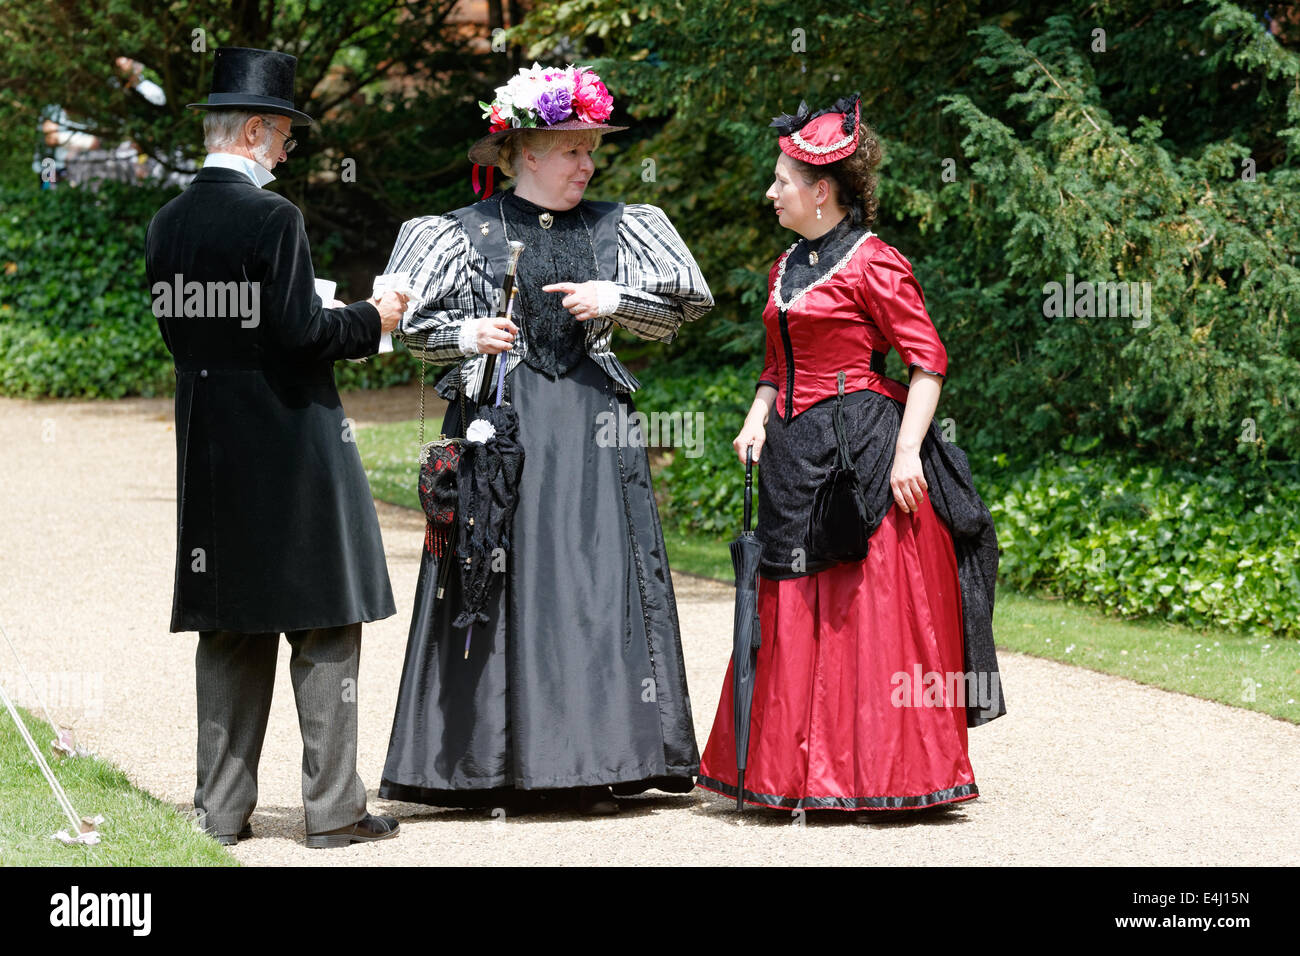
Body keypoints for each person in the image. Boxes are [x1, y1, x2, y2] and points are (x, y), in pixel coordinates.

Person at [379, 64, 713, 816]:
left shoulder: (622, 226)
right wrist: (467, 333)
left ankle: (599, 757)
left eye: (593, 149)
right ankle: (487, 763)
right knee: (492, 574)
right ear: (526, 150)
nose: (588, 164)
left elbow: (691, 303)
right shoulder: (457, 233)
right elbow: (403, 327)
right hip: (498, 423)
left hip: (593, 432)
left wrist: (616, 299)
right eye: (572, 150)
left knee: (596, 585)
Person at [696, 93, 1005, 813]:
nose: (770, 191)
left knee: (860, 615)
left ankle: (878, 775)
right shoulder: (786, 266)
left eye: (781, 180)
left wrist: (906, 455)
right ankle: (788, 772)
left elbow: (929, 361)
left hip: (864, 450)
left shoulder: (875, 263)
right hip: (793, 451)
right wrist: (755, 415)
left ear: (821, 191)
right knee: (794, 601)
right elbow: (777, 365)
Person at [145, 46, 408, 848]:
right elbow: (300, 334)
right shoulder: (273, 217)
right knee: (326, 622)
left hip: (212, 443)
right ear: (258, 130)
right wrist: (374, 318)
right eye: (287, 136)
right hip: (292, 440)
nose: (290, 150)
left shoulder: (168, 221)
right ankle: (334, 811)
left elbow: (180, 328)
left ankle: (220, 812)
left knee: (231, 625)